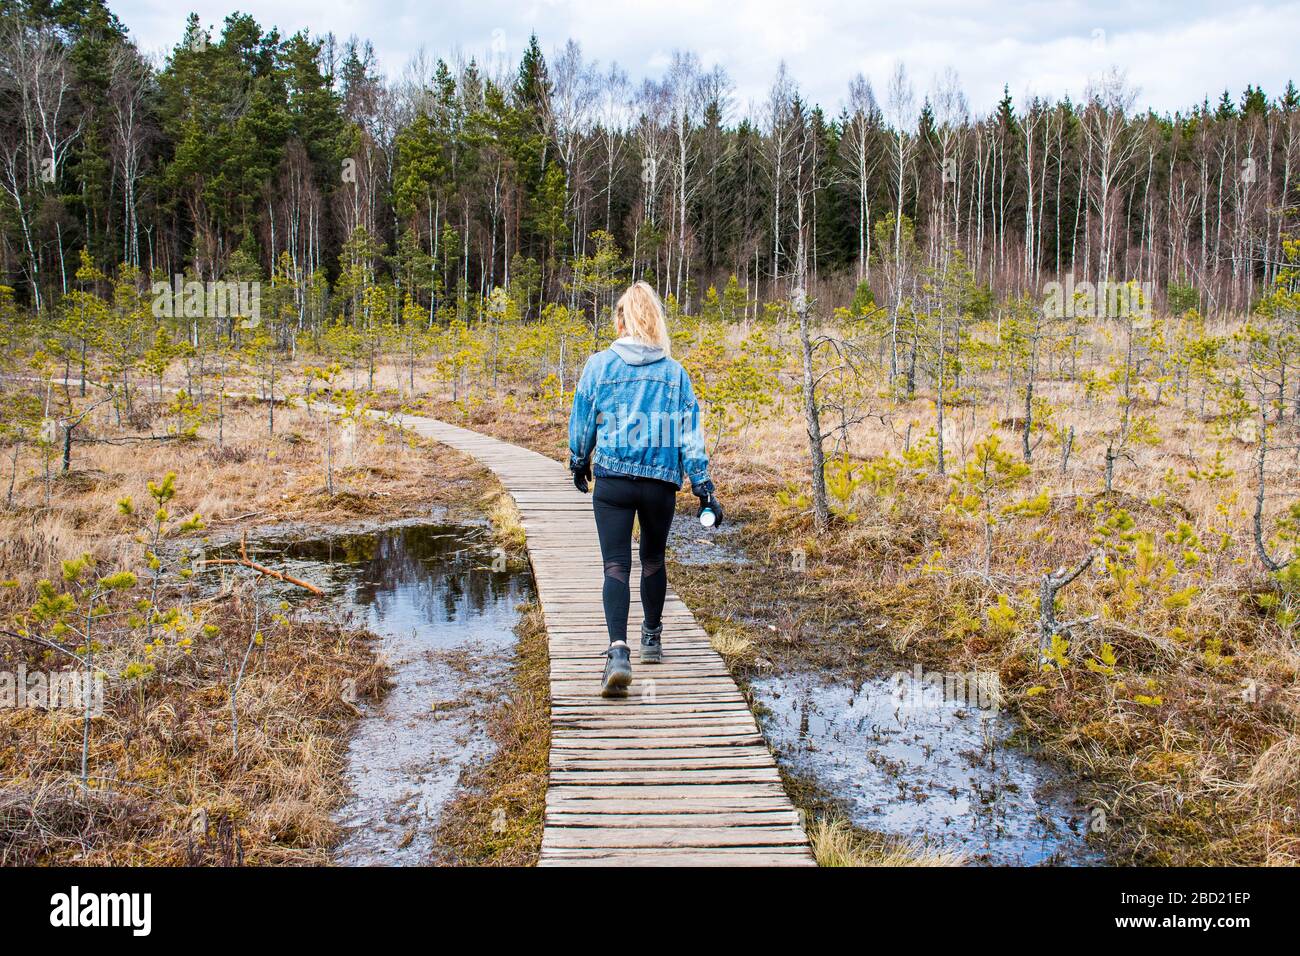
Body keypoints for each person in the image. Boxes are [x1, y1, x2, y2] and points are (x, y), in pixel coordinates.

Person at [568, 281, 723, 697]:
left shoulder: (599, 366)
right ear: (654, 320)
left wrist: (579, 460)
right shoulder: (675, 375)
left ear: (621, 320)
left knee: (615, 566)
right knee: (653, 559)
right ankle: (651, 639)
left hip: (614, 482)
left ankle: (618, 652)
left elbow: (582, 419)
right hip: (659, 485)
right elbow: (690, 435)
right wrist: (703, 489)